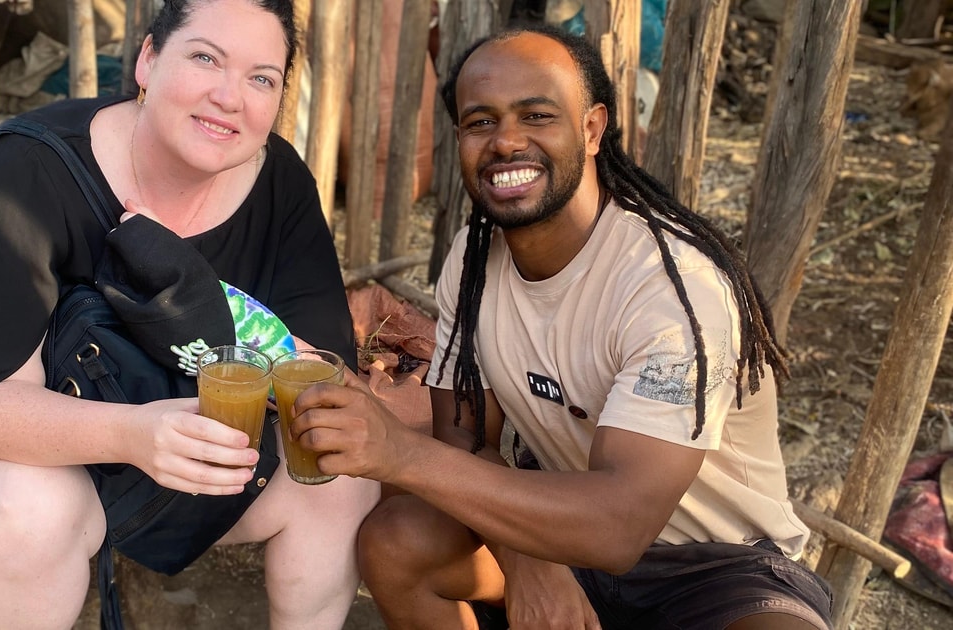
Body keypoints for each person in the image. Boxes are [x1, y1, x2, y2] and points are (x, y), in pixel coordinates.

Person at [287, 24, 834, 630]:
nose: (506, 142)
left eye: (537, 115)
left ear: (593, 129)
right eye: (481, 122)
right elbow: (466, 441)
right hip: (558, 535)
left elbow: (620, 525)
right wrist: (527, 562)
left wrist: (396, 450)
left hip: (715, 572)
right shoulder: (474, 261)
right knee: (398, 541)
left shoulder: (673, 288)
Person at [0, 1, 379, 628]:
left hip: (187, 449)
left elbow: (323, 374)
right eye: (205, 57)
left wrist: (232, 326)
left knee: (339, 473)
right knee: (25, 510)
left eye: (261, 77)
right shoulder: (30, 168)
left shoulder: (280, 181)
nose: (229, 97)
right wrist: (133, 434)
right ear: (148, 60)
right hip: (28, 446)